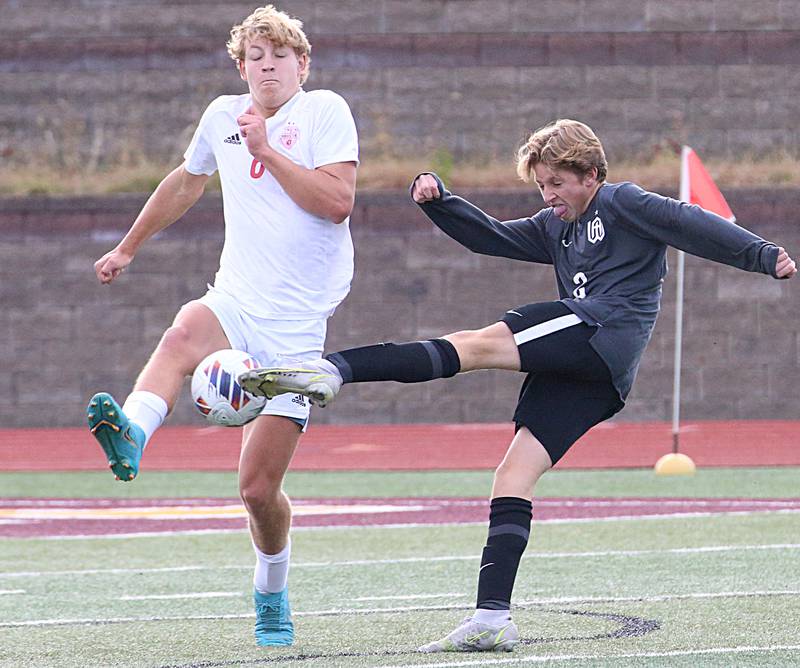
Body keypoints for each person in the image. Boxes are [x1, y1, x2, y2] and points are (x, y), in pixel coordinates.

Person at [238, 119, 796, 653]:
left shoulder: (622, 202)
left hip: (602, 331)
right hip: (597, 377)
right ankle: (491, 617)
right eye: (541, 185)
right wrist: (440, 202)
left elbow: (693, 225)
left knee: (475, 345)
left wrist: (763, 255)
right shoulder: (556, 226)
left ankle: (333, 369)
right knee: (512, 474)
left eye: (557, 183)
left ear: (590, 175)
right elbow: (493, 238)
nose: (548, 194)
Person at [86, 5, 358, 647]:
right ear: (241, 67)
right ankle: (132, 432)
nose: (267, 66)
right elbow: (186, 182)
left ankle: (271, 592)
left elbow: (337, 202)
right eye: (255, 58)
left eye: (279, 55)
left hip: (294, 329)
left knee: (258, 489)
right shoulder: (220, 116)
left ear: (303, 63)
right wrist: (128, 247)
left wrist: (267, 149)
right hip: (235, 297)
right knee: (182, 334)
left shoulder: (324, 112)